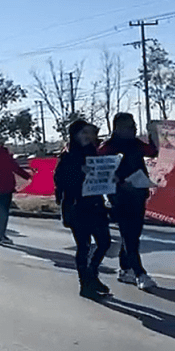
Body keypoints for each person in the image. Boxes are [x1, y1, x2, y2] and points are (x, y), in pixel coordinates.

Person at [98, 112, 159, 291]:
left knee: (134, 234)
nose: (131, 129)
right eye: (127, 126)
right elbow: (99, 169)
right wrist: (116, 180)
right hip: (120, 196)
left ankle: (125, 269)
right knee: (128, 234)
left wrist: (153, 134)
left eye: (133, 126)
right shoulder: (108, 147)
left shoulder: (136, 144)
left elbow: (152, 152)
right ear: (116, 128)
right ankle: (140, 273)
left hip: (139, 193)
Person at [54, 120, 113, 299]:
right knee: (84, 247)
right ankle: (85, 285)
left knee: (104, 242)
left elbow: (103, 176)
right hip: (76, 207)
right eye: (83, 133)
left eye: (90, 133)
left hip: (95, 205)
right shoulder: (68, 156)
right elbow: (61, 182)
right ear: (75, 135)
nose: (88, 136)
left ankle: (91, 275)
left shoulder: (93, 153)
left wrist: (111, 178)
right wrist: (80, 172)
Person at [0, 132, 31, 245]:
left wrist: (28, 176)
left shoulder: (1, 153)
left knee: (2, 212)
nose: (0, 144)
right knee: (1, 212)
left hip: (5, 187)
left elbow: (14, 167)